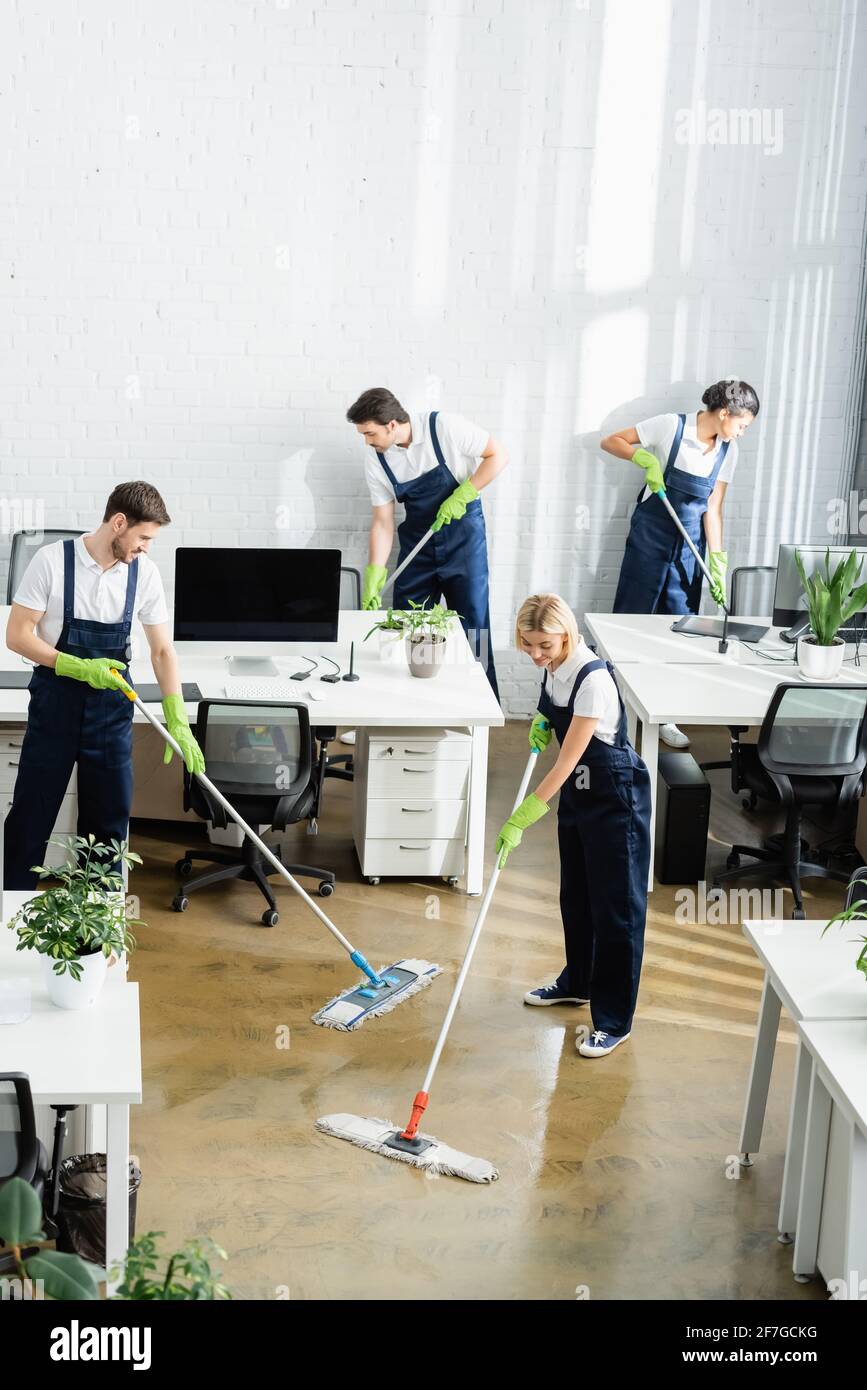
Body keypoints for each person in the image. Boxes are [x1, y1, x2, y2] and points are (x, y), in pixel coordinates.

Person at [3, 481, 204, 890]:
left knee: (108, 826)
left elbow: (163, 650)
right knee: (30, 817)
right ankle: (10, 923)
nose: (146, 547)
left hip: (110, 713)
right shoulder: (53, 562)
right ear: (118, 523)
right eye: (144, 537)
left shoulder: (143, 573)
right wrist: (74, 666)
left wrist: (177, 714)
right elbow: (18, 635)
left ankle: (100, 939)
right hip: (54, 707)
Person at [496, 594, 651, 1058]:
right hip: (580, 801)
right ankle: (578, 982)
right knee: (577, 898)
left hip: (614, 799)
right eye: (527, 644)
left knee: (616, 912)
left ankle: (614, 1019)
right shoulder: (553, 667)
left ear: (566, 634)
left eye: (544, 645)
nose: (536, 654)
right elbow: (554, 709)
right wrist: (543, 719)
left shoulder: (593, 681)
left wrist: (523, 815)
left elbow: (568, 760)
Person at [601, 378, 759, 748]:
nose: (741, 434)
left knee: (677, 628)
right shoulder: (671, 426)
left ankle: (664, 716)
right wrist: (642, 457)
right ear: (724, 413)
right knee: (629, 622)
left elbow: (713, 509)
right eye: (742, 425)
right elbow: (611, 441)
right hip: (649, 536)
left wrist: (717, 559)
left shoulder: (727, 452)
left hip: (689, 546)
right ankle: (613, 713)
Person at [346, 386, 507, 700]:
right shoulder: (377, 459)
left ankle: (480, 710)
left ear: (392, 425)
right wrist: (375, 572)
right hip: (418, 543)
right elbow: (382, 520)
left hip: (464, 541)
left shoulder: (443, 427)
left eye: (369, 433)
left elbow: (498, 454)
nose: (367, 441)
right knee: (408, 624)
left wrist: (465, 492)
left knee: (472, 625)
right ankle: (408, 705)